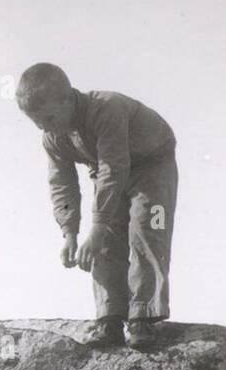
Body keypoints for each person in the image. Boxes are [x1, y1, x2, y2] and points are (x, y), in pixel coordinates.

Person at [16, 62, 178, 348]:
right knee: (104, 241)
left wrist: (96, 226)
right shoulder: (53, 137)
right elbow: (61, 183)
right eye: (38, 123)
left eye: (50, 118)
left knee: (147, 228)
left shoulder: (107, 108)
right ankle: (110, 318)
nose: (45, 128)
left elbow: (114, 167)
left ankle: (143, 316)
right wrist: (70, 233)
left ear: (67, 100)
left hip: (152, 167)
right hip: (104, 170)